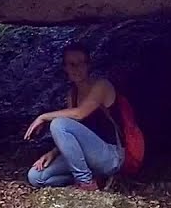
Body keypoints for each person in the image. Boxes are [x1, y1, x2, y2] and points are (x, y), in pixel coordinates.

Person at [24, 43, 124, 190]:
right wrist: (53, 153)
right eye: (71, 64)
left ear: (88, 65)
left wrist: (43, 117)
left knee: (58, 124)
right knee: (36, 177)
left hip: (110, 156)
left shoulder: (102, 86)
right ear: (65, 68)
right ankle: (92, 179)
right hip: (86, 157)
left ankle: (86, 183)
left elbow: (79, 114)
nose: (77, 68)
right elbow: (72, 132)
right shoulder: (73, 94)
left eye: (81, 63)